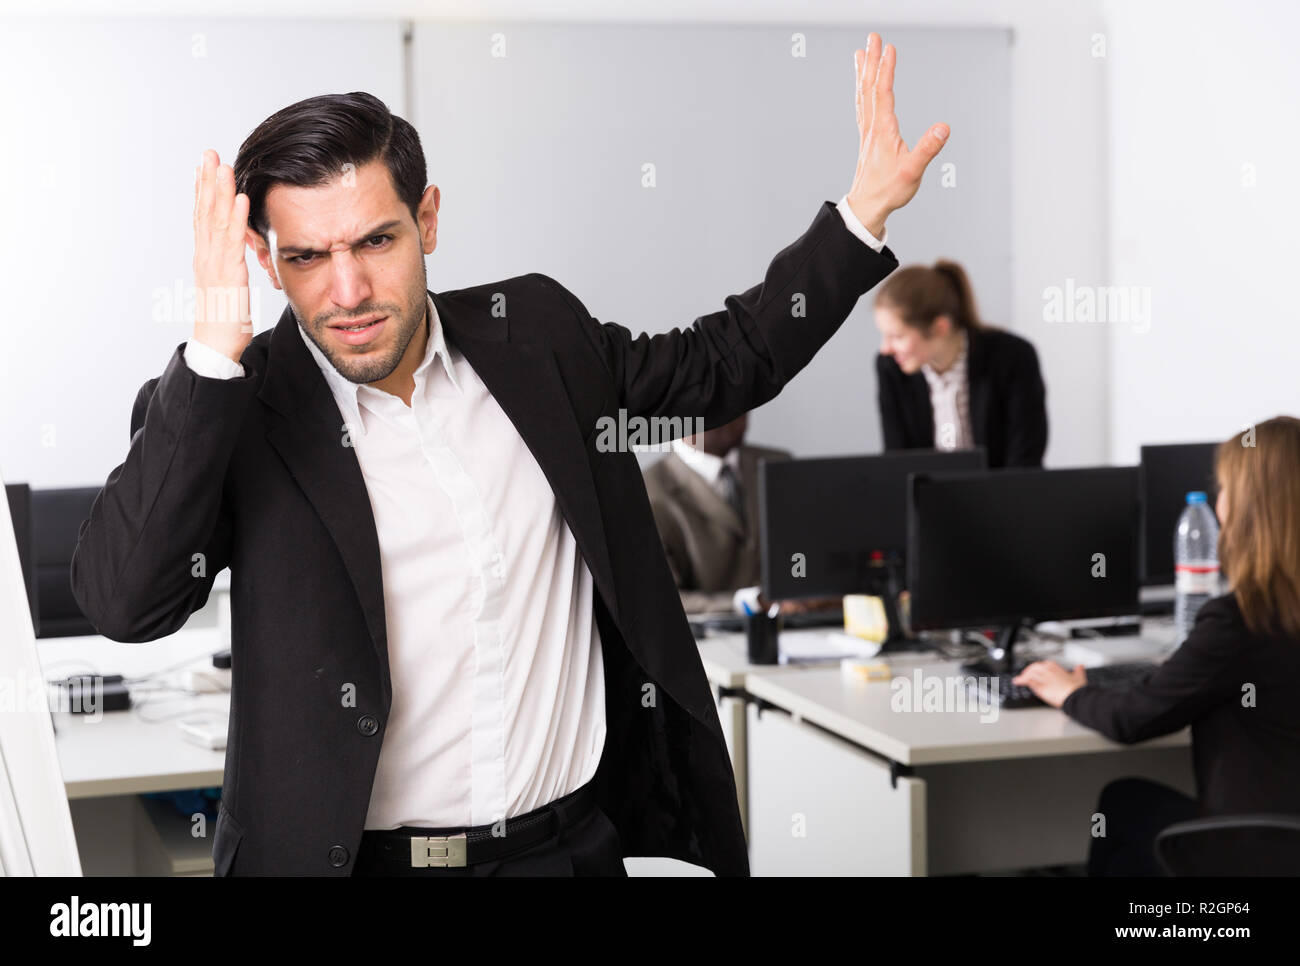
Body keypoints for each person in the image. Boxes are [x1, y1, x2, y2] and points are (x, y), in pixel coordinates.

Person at [70, 34, 949, 876]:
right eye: (306, 257)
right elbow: (124, 601)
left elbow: (725, 363)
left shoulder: (535, 335)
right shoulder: (236, 404)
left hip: (562, 854)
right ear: (264, 260)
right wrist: (212, 354)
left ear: (429, 219)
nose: (348, 293)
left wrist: (860, 215)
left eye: (376, 241)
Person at [1015, 416, 1300, 875]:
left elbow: (1132, 719)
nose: (1218, 502)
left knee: (1123, 804)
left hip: (1254, 854)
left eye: (1224, 488)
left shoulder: (1240, 620)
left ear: (1247, 508)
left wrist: (1071, 692)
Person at [873, 259, 1047, 467]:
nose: (886, 348)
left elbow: (1024, 463)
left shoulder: (1014, 357)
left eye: (897, 336)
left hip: (1005, 497)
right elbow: (898, 465)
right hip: (928, 499)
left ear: (939, 328)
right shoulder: (890, 367)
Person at [643, 415, 789, 614]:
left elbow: (804, 555)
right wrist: (752, 602)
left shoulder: (778, 464)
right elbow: (662, 599)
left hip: (802, 630)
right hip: (707, 639)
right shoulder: (649, 492)